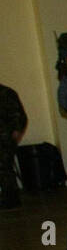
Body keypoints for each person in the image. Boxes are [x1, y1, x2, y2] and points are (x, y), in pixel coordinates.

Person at [0, 81, 28, 209]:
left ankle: (10, 198)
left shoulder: (7, 93)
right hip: (6, 136)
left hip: (5, 138)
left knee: (5, 169)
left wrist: (16, 132)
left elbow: (20, 116)